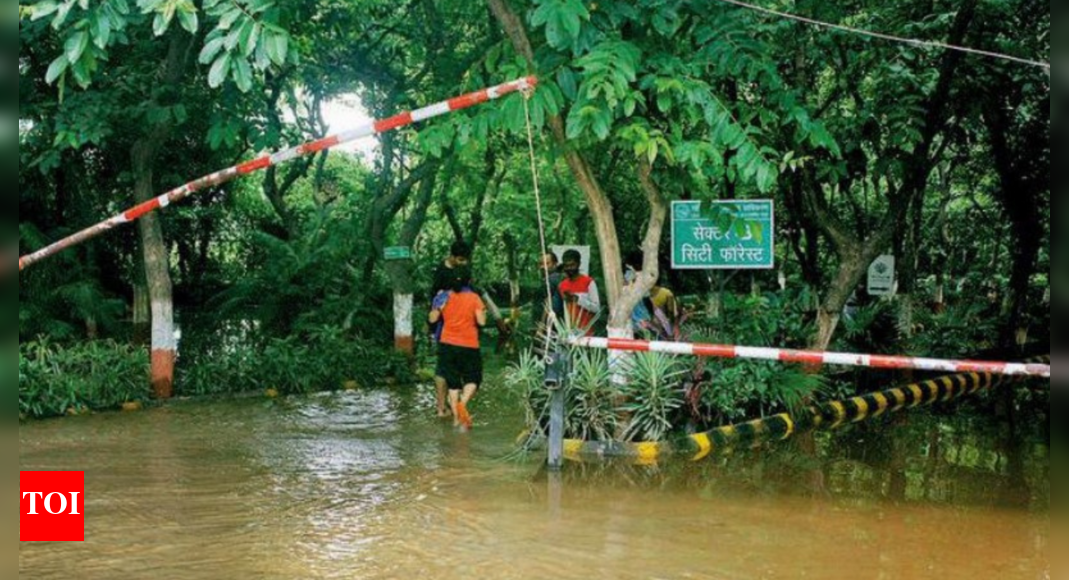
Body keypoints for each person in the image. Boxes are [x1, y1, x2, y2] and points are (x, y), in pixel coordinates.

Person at [429, 266, 486, 432]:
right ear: (469, 280)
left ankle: (456, 420)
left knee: (453, 383)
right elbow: (481, 322)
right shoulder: (475, 298)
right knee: (473, 379)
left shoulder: (443, 296)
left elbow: (432, 319)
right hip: (469, 344)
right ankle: (463, 402)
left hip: (447, 344)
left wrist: (437, 306)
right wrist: (482, 312)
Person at [431, 240, 473, 417]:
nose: (464, 263)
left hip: (459, 329)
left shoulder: (464, 271)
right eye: (461, 260)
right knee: (444, 367)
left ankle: (448, 405)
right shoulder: (441, 273)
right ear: (453, 257)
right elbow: (434, 305)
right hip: (447, 328)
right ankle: (442, 407)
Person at [558, 249, 601, 335]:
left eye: (572, 265)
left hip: (587, 332)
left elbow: (597, 309)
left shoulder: (589, 282)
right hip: (569, 333)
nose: (569, 268)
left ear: (579, 264)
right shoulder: (562, 285)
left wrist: (578, 300)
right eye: (566, 266)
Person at [535, 252, 566, 327]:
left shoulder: (552, 279)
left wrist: (541, 327)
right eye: (541, 264)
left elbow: (548, 302)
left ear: (555, 264)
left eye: (547, 263)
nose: (543, 267)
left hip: (550, 325)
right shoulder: (559, 278)